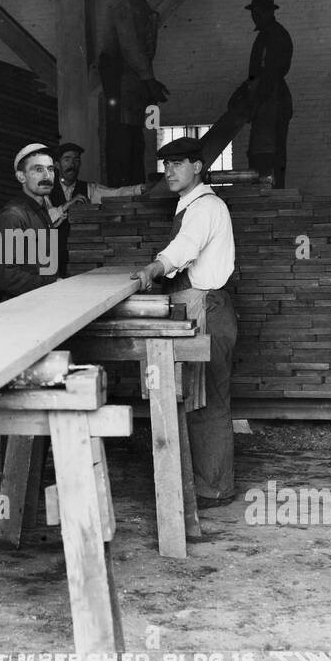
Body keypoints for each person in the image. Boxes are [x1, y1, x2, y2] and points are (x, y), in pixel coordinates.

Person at [130, 136, 238, 512]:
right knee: (198, 398)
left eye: (178, 163)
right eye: (166, 164)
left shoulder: (206, 207)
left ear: (198, 167)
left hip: (207, 308)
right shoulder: (187, 205)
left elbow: (184, 249)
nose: (170, 171)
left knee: (207, 400)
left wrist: (153, 268)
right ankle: (208, 483)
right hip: (198, 306)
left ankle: (214, 488)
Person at [98, 0, 170, 186]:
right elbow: (130, 45)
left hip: (133, 79)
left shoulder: (138, 1)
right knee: (122, 138)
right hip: (120, 76)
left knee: (133, 138)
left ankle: (132, 188)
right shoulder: (125, 1)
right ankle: (121, 192)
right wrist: (149, 80)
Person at [48, 141, 144, 276]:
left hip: (78, 257)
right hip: (52, 254)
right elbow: (44, 219)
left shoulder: (89, 188)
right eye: (67, 159)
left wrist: (140, 189)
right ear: (57, 165)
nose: (72, 164)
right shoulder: (46, 190)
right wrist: (67, 205)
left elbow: (116, 193)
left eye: (76, 160)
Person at [0, 143, 65, 298]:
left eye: (50, 169)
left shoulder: (41, 212)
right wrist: (53, 284)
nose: (47, 176)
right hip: (20, 310)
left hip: (41, 303)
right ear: (21, 176)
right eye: (38, 169)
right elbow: (6, 277)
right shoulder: (11, 217)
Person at [242, 0, 295, 188]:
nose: (255, 16)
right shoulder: (265, 35)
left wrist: (255, 99)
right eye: (253, 12)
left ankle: (273, 194)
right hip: (266, 98)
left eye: (259, 12)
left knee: (269, 152)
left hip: (272, 99)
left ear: (269, 12)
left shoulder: (275, 35)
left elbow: (271, 71)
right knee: (264, 150)